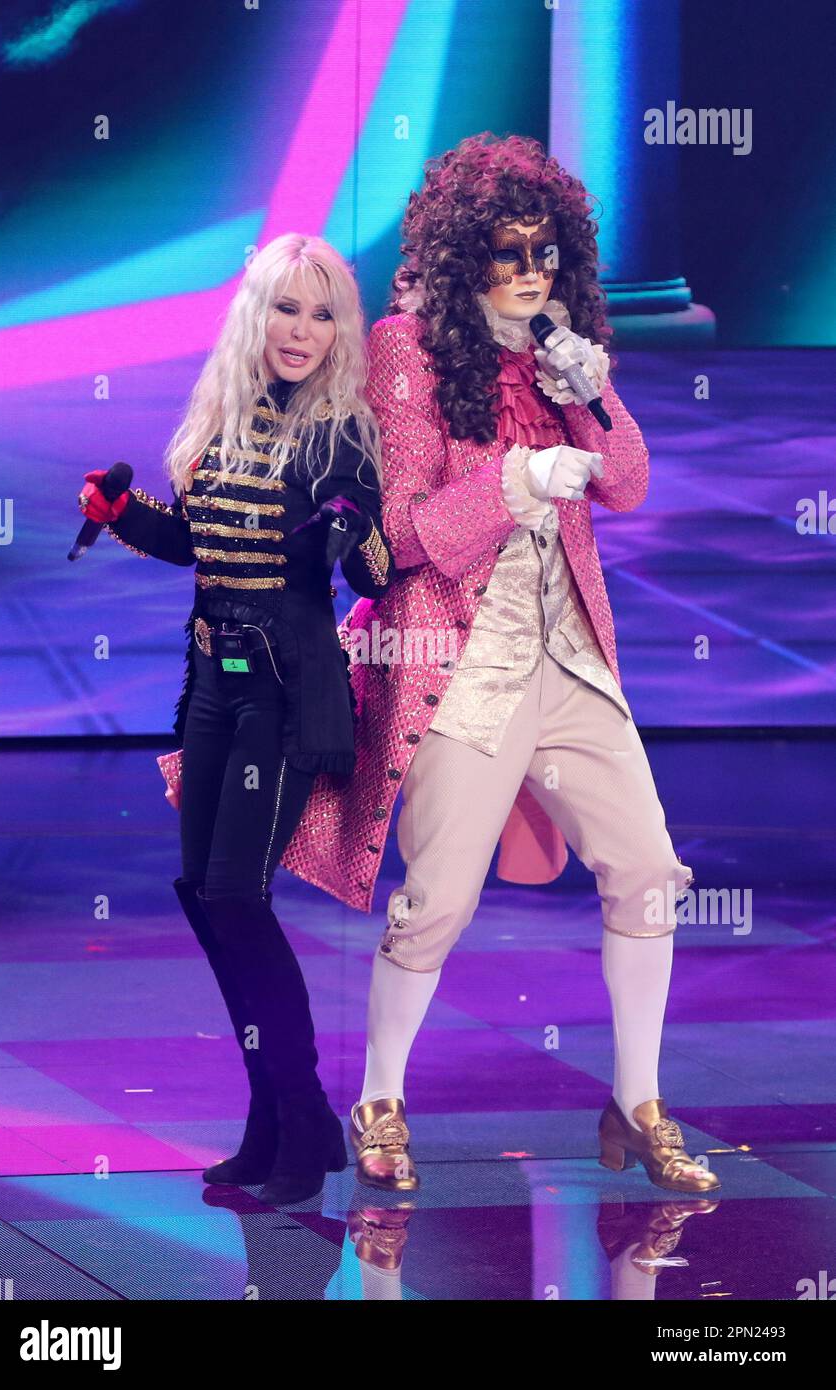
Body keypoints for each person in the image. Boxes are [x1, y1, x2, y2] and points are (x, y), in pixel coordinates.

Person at [281, 134, 721, 1198]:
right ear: (462, 253)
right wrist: (518, 478)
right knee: (435, 895)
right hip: (459, 661)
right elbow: (399, 535)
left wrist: (593, 395)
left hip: (567, 658)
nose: (530, 274)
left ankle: (635, 1099)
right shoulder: (404, 350)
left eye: (545, 253)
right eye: (507, 253)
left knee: (648, 870)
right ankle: (379, 1096)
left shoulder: (554, 351)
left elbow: (622, 486)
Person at [76, 233, 393, 1203]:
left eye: (322, 310)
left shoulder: (339, 431)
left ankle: (301, 1131)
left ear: (341, 327)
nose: (301, 330)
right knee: (204, 894)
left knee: (237, 900)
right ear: (256, 314)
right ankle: (272, 1124)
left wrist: (350, 527)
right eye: (286, 308)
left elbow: (370, 566)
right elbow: (195, 544)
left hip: (286, 694)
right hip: (210, 684)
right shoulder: (227, 414)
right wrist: (122, 512)